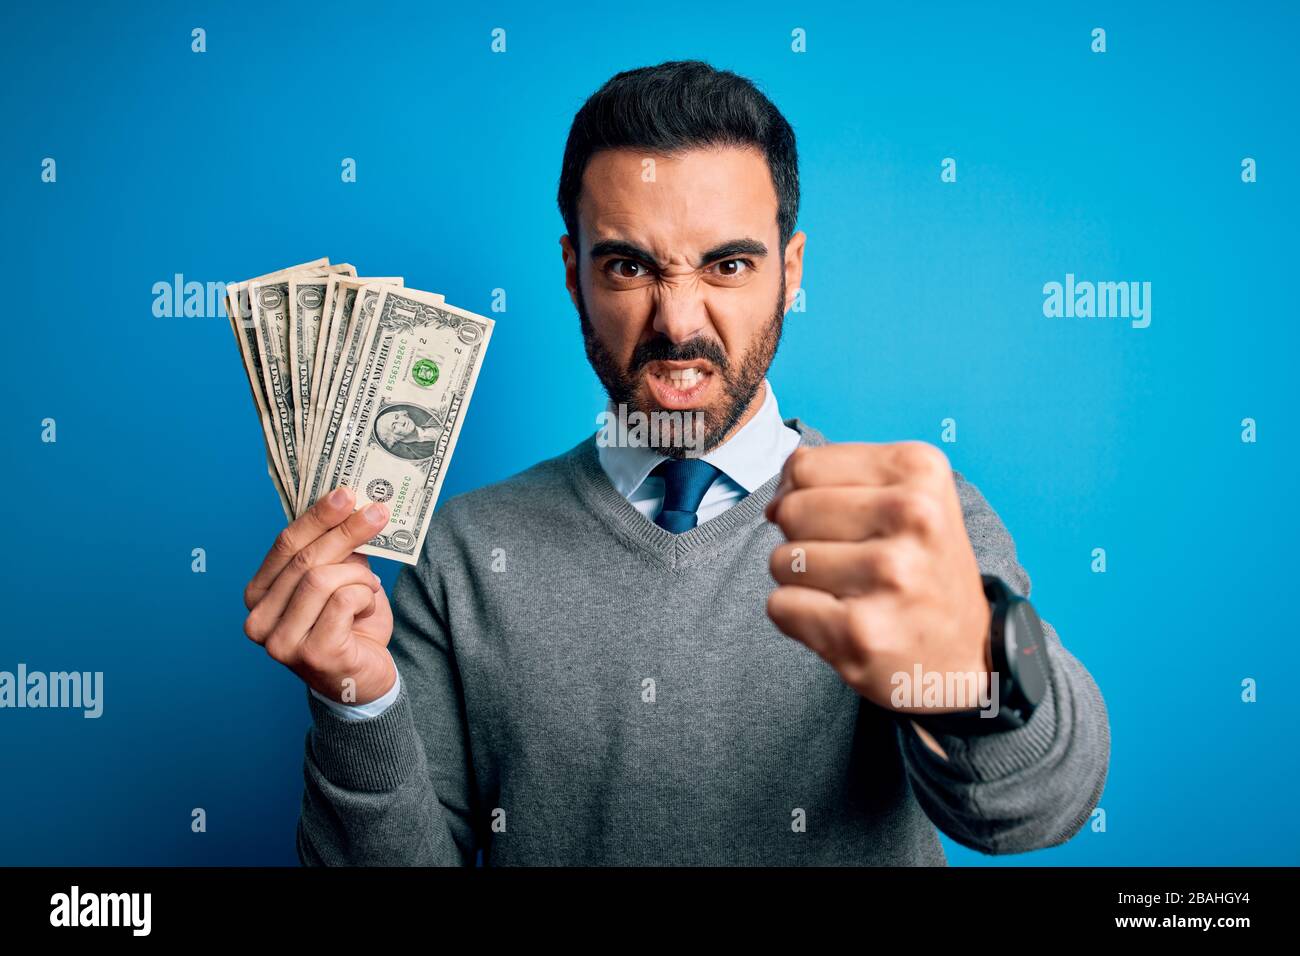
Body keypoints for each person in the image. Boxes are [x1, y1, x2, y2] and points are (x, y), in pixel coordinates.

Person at [241, 60, 1110, 865]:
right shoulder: (464, 554)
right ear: (574, 274)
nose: (679, 322)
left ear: (791, 271)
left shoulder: (909, 520)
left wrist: (973, 660)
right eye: (629, 266)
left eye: (728, 264)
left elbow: (1035, 806)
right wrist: (357, 702)